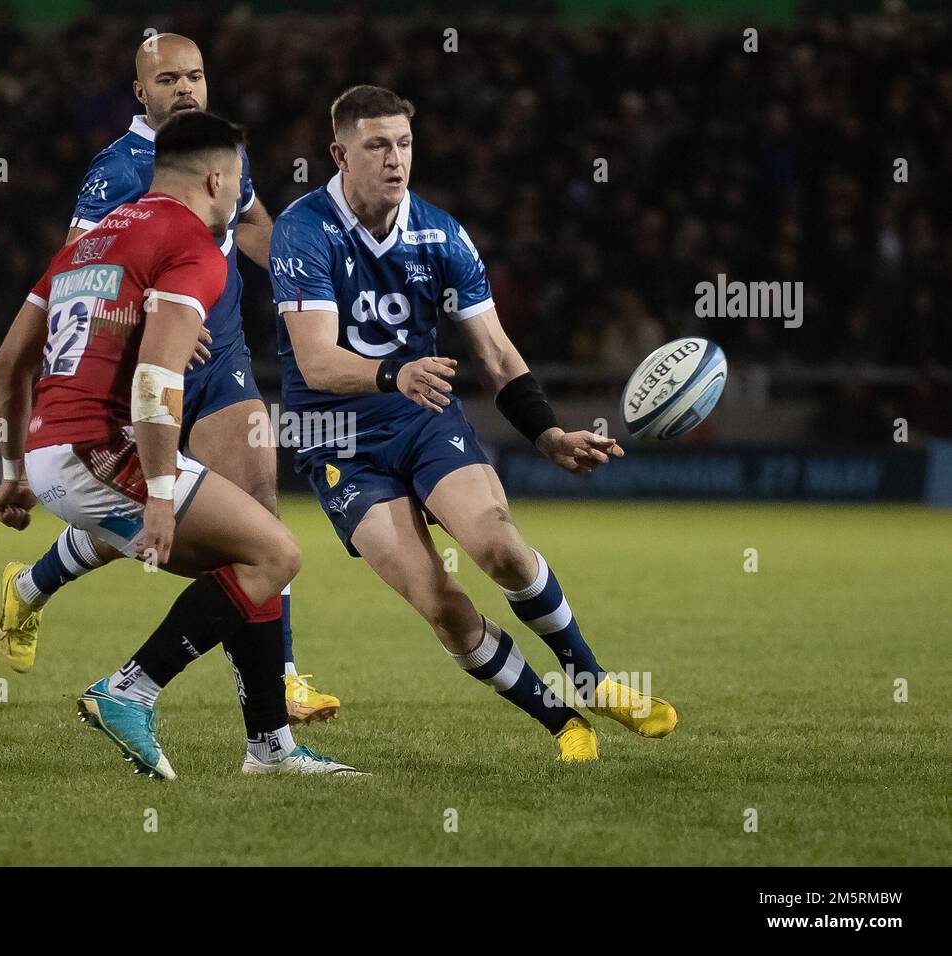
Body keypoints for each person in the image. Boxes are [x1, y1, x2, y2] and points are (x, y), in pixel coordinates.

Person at [268, 86, 678, 761]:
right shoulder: (304, 230)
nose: (395, 159)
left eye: (404, 143)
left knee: (501, 547)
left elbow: (494, 352)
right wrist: (392, 372)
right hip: (338, 440)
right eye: (377, 145)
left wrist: (547, 433)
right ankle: (561, 723)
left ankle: (594, 680)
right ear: (340, 154)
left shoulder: (440, 233)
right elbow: (314, 362)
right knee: (440, 602)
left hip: (423, 420)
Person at [0, 110, 359, 778]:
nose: (242, 197)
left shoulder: (93, 241)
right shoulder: (188, 243)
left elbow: (9, 362)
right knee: (276, 551)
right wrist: (161, 493)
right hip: (97, 447)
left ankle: (270, 751)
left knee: (245, 560)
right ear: (217, 177)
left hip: (52, 449)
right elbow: (159, 379)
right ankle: (128, 690)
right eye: (240, 180)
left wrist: (15, 469)